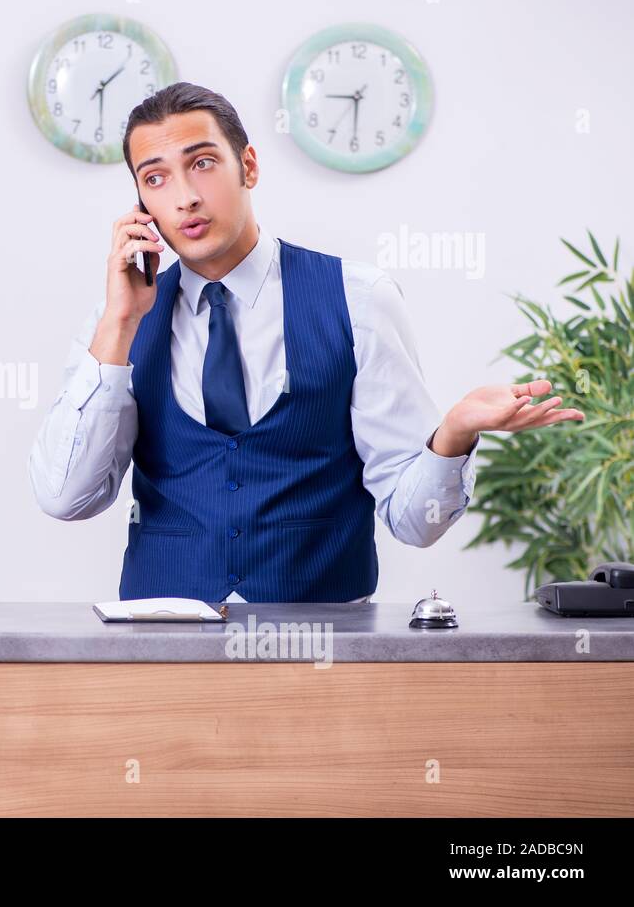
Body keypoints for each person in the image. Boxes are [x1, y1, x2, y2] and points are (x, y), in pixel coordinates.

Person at [28, 82, 583, 604]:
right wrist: (120, 325)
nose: (186, 197)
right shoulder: (116, 324)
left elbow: (416, 521)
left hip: (326, 654)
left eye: (202, 163)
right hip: (162, 651)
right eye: (156, 178)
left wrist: (452, 435)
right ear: (140, 205)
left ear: (248, 165)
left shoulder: (359, 299)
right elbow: (67, 498)